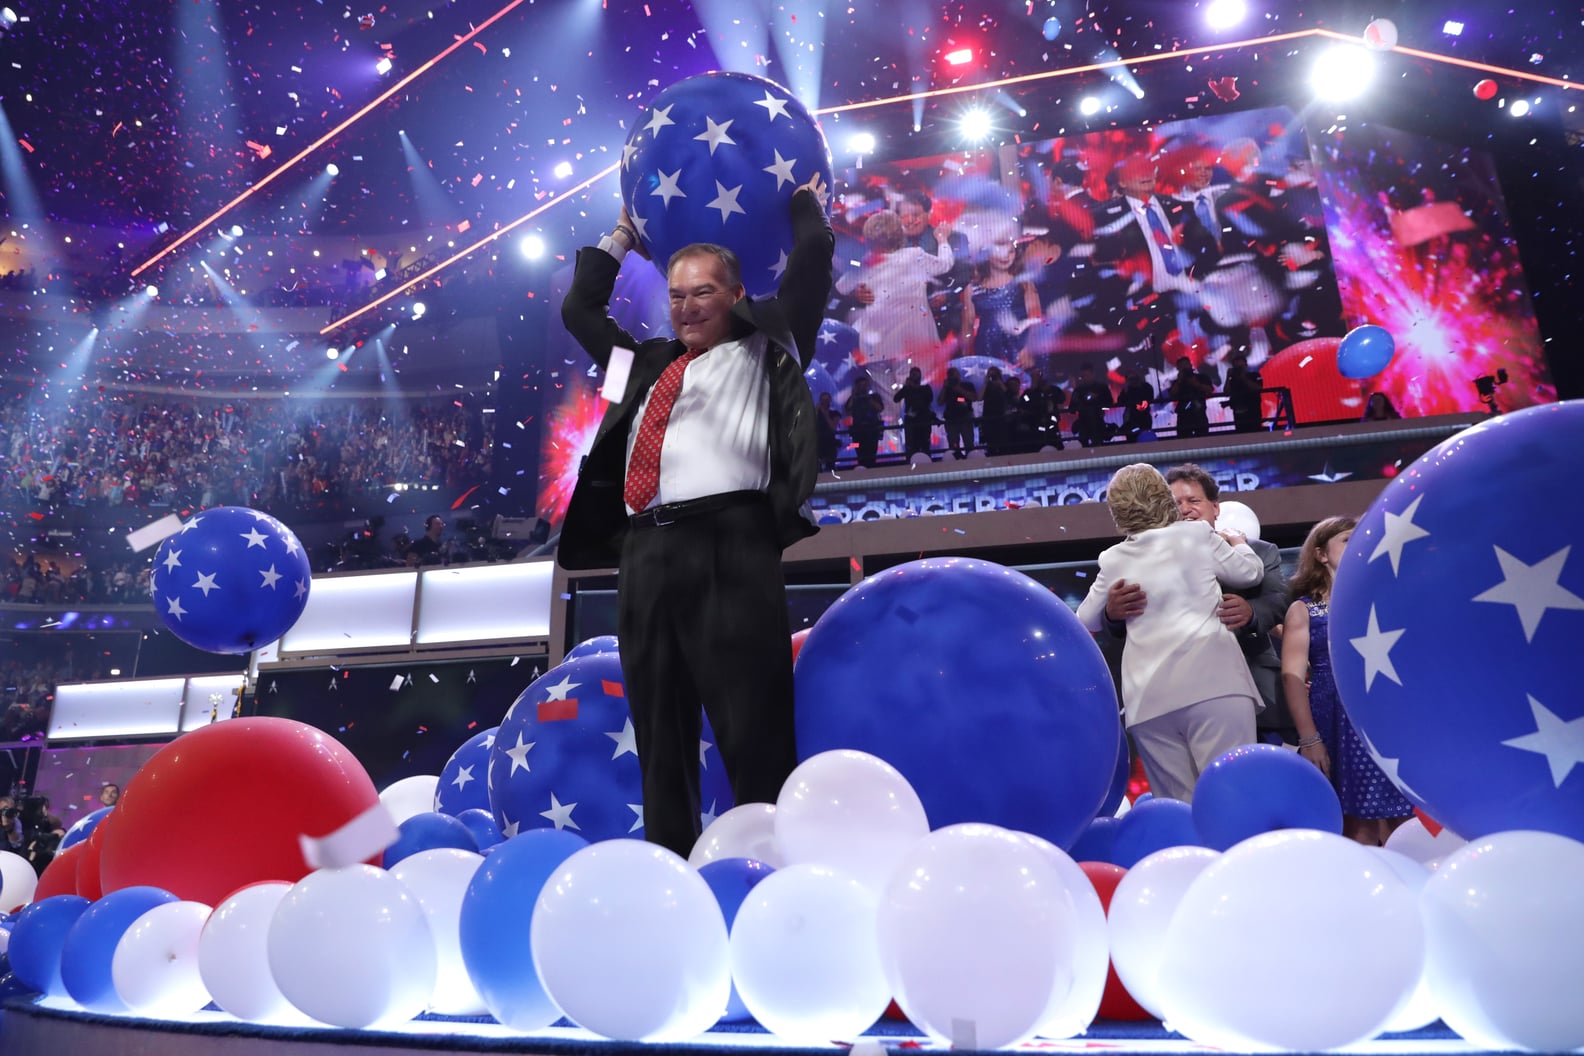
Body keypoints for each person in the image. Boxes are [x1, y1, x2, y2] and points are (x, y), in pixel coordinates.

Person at [558, 172, 835, 858]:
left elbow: (811, 267)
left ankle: (774, 874)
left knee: (753, 727)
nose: (687, 307)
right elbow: (579, 311)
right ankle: (672, 874)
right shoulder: (642, 363)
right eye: (677, 295)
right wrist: (621, 236)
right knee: (659, 734)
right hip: (644, 553)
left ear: (737, 295)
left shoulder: (768, 340)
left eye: (704, 292)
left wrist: (804, 205)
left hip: (729, 542)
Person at [1077, 464, 1264, 801]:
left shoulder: (1113, 558)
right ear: (1164, 498)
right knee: (1235, 797)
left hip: (1149, 701)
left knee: (1180, 809)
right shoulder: (1195, 535)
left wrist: (1109, 611)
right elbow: (1249, 574)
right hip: (1215, 685)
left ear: (1117, 509)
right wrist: (1240, 543)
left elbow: (1085, 619)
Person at [1103, 464, 1292, 741]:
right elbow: (1116, 621)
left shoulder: (1258, 551)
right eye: (1176, 502)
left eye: (1194, 500)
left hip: (1257, 687)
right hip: (1173, 691)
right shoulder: (1137, 557)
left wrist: (1252, 613)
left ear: (1215, 507)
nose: (1185, 509)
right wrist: (1112, 613)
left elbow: (1281, 598)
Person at [1281, 516, 1414, 845]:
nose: (1356, 545)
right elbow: (1292, 678)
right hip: (1336, 716)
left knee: (1405, 811)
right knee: (1355, 819)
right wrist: (1309, 739)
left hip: (1387, 713)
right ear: (1320, 554)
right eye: (1345, 539)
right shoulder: (1304, 611)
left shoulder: (1383, 599)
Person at [893, 366, 935, 461]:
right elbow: (896, 399)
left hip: (924, 421)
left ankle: (927, 463)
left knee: (925, 445)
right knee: (912, 446)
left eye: (916, 375)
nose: (915, 377)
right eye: (913, 375)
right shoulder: (907, 389)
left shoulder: (925, 389)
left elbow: (929, 399)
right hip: (911, 423)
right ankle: (911, 464)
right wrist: (906, 387)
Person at [1167, 355, 1215, 438]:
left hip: (1200, 414)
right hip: (1183, 416)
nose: (1184, 367)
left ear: (1190, 365)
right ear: (1178, 369)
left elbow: (1210, 390)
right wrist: (1179, 381)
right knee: (1184, 441)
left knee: (1202, 439)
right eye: (1181, 366)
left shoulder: (1201, 377)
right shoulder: (1176, 382)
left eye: (1186, 364)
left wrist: (1196, 384)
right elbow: (1172, 394)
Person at [845, 374, 886, 468]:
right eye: (861, 385)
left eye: (865, 385)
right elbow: (848, 411)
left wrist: (868, 398)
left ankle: (872, 470)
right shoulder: (854, 399)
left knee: (872, 453)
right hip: (859, 430)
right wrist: (854, 395)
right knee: (861, 454)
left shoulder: (874, 397)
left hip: (872, 429)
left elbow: (880, 408)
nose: (863, 387)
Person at [1070, 363, 1114, 447]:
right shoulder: (1078, 390)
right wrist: (1082, 402)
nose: (1084, 378)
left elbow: (1109, 404)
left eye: (1087, 375)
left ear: (1093, 374)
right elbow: (1072, 408)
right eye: (1082, 376)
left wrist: (1098, 400)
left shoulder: (1102, 387)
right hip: (1083, 424)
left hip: (1098, 422)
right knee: (1083, 447)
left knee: (1098, 445)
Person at [938, 367, 977, 459]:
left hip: (966, 418)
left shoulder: (967, 385)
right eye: (951, 376)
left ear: (959, 375)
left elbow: (974, 398)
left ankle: (971, 459)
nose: (953, 378)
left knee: (968, 443)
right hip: (951, 419)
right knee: (953, 444)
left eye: (955, 375)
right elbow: (940, 402)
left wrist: (958, 389)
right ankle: (955, 460)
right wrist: (944, 387)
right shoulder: (947, 389)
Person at [814, 391, 841, 471]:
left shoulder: (835, 413)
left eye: (827, 400)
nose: (825, 402)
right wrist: (816, 410)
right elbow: (811, 424)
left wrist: (825, 414)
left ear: (830, 401)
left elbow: (833, 428)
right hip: (818, 443)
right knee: (817, 467)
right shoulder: (816, 413)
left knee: (830, 466)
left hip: (830, 443)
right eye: (823, 400)